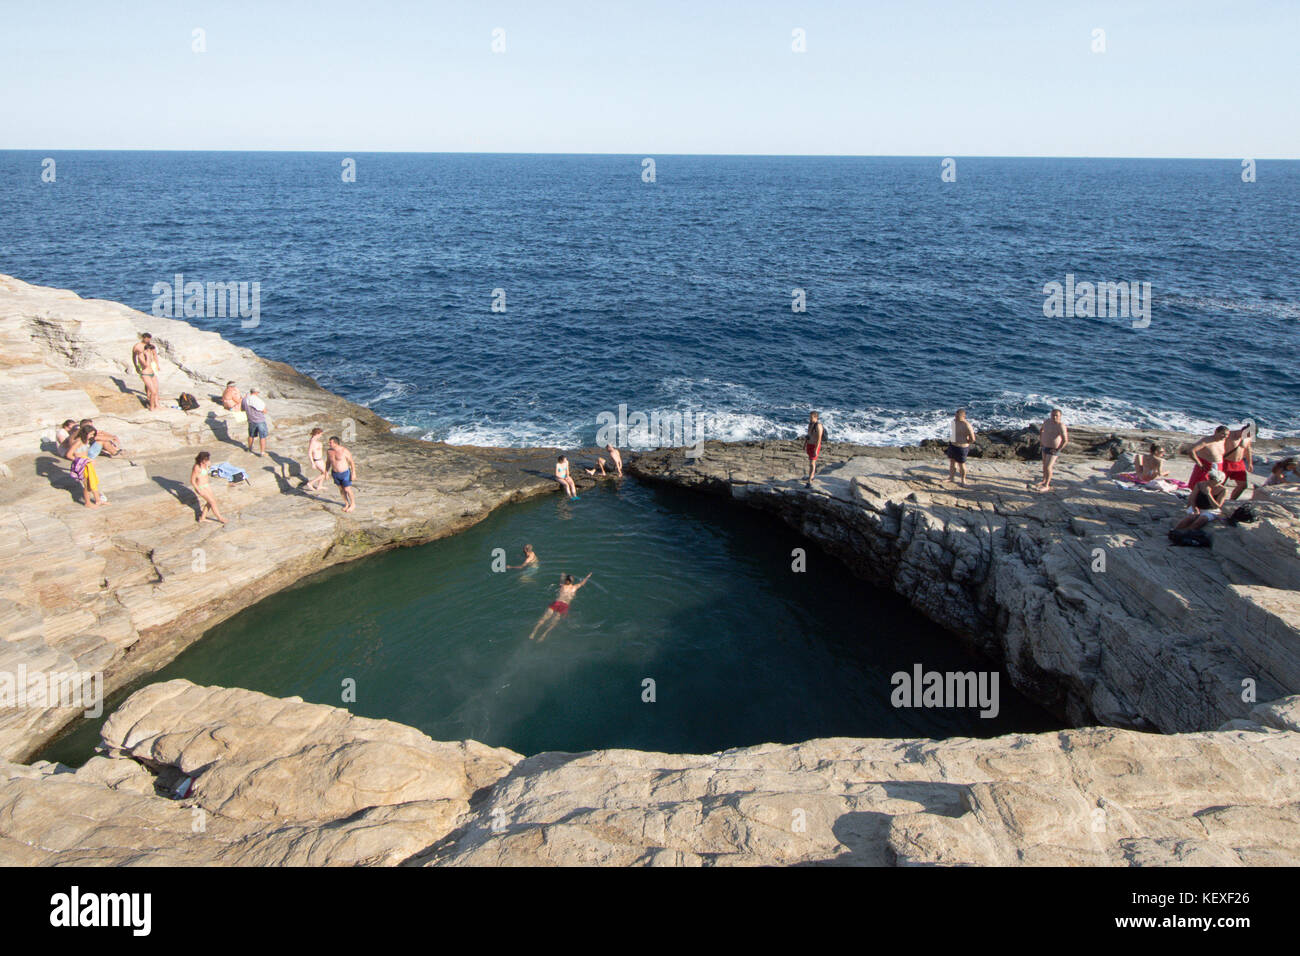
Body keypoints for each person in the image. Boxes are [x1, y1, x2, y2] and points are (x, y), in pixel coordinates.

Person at [528, 573, 592, 642]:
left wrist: (562, 575)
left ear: (566, 580)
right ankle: (544, 635)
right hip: (564, 606)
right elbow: (582, 583)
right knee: (554, 622)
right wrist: (587, 576)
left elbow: (562, 579)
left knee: (544, 618)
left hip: (557, 603)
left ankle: (533, 632)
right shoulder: (575, 587)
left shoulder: (562, 586)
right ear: (572, 581)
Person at [68, 426, 107, 507]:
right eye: (91, 434)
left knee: (93, 482)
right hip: (82, 464)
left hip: (87, 463)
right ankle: (87, 503)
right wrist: (82, 462)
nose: (92, 436)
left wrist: (89, 460)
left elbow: (85, 453)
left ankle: (98, 500)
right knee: (87, 485)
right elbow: (69, 455)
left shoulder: (86, 441)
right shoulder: (78, 442)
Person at [190, 451, 227, 524]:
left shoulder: (206, 464)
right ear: (202, 460)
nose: (207, 460)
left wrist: (209, 466)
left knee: (211, 501)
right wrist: (198, 489)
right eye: (206, 459)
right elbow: (192, 480)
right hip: (201, 487)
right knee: (212, 502)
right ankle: (220, 517)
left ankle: (202, 518)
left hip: (207, 485)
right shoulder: (197, 467)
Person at [1036, 409, 1069, 491]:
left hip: (1054, 449)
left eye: (1056, 415)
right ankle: (1043, 480)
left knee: (1048, 466)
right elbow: (1041, 430)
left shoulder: (1061, 426)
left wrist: (1058, 449)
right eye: (1053, 415)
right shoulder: (1047, 422)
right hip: (1045, 446)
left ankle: (1047, 485)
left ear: (1060, 416)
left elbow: (1065, 440)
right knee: (1044, 465)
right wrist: (1041, 440)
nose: (1054, 417)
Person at [1222, 422, 1255, 500]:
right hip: (1226, 461)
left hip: (1239, 463)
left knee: (1243, 485)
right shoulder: (1229, 435)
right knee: (1220, 484)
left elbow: (1248, 449)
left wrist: (1250, 463)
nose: (1248, 436)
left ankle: (1232, 500)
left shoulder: (1248, 438)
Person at [326, 436, 357, 512]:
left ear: (335, 443)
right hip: (335, 473)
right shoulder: (329, 451)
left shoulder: (344, 451)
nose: (329, 444)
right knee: (341, 490)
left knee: (347, 489)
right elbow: (328, 462)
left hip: (345, 473)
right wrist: (326, 472)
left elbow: (351, 462)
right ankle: (346, 503)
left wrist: (353, 473)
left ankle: (353, 504)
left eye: (330, 442)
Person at [946, 409, 975, 487]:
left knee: (961, 464)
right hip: (953, 445)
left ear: (963, 416)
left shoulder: (967, 425)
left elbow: (973, 438)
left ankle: (963, 480)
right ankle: (951, 477)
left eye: (957, 416)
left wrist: (967, 443)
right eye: (955, 415)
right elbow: (953, 433)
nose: (956, 417)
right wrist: (951, 442)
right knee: (952, 462)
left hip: (961, 447)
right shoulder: (954, 422)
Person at [242, 388, 269, 455]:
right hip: (260, 420)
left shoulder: (245, 399)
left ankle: (250, 448)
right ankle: (262, 452)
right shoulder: (257, 400)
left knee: (251, 435)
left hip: (251, 420)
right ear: (256, 392)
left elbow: (242, 408)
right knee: (262, 436)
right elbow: (264, 411)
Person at [804, 412, 825, 486]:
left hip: (814, 446)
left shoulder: (818, 426)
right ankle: (811, 475)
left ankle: (810, 480)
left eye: (811, 417)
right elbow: (808, 435)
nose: (810, 419)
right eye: (810, 417)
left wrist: (816, 449)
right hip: (809, 445)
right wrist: (805, 444)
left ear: (816, 417)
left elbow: (819, 438)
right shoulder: (810, 424)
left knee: (812, 463)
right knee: (810, 462)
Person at [140, 342, 162, 411]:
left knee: (156, 390)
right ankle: (152, 407)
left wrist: (157, 365)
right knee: (153, 392)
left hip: (152, 373)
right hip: (145, 374)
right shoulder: (141, 355)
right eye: (150, 351)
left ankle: (157, 405)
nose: (152, 352)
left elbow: (154, 360)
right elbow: (146, 365)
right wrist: (147, 356)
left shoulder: (150, 354)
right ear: (147, 350)